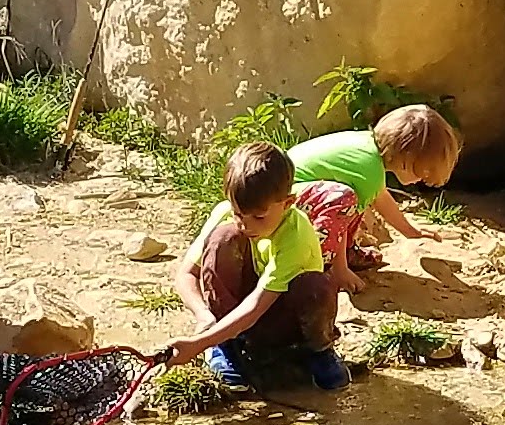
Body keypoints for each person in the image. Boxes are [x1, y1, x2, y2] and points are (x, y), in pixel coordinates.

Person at [166, 141, 347, 390]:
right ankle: (227, 346)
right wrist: (204, 317)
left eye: (259, 217)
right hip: (238, 317)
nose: (246, 225)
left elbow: (256, 305)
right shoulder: (225, 216)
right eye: (239, 213)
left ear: (287, 203)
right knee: (222, 239)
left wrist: (199, 344)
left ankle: (317, 350)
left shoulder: (296, 234)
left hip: (284, 319)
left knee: (314, 284)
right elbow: (187, 273)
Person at [287, 102, 463, 294]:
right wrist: (341, 270)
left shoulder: (369, 152)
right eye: (424, 171)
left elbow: (380, 197)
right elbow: (342, 219)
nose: (422, 179)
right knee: (344, 201)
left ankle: (344, 253)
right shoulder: (370, 170)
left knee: (350, 200)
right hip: (284, 199)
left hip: (294, 190)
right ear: (407, 158)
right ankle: (327, 265)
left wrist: (410, 231)